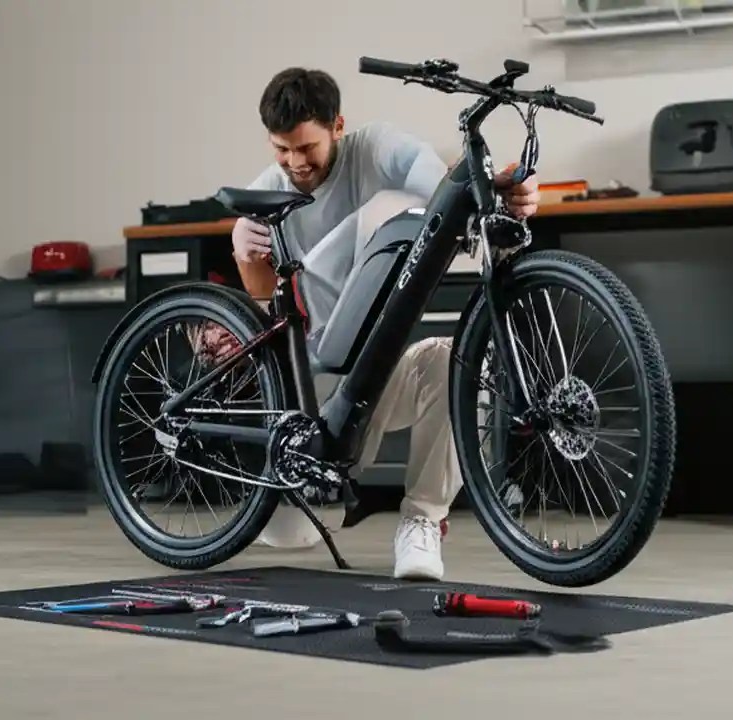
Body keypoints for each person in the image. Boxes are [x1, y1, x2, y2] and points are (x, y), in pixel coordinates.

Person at [225, 67, 540, 581]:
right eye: (281, 150)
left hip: (365, 380)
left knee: (452, 360)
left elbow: (438, 190)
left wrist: (505, 200)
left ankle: (421, 522)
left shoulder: (373, 150)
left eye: (306, 147)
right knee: (290, 535)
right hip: (301, 400)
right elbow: (262, 311)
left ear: (338, 126)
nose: (295, 163)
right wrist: (242, 244)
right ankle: (304, 476)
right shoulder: (268, 189)